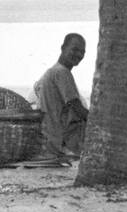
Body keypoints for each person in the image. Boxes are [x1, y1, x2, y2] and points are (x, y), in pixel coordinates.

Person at [32, 33, 89, 161]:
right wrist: (99, 122)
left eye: (82, 52)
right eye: (75, 49)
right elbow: (77, 109)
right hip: (62, 141)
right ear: (63, 48)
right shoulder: (62, 72)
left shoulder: (51, 71)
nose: (79, 55)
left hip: (49, 138)